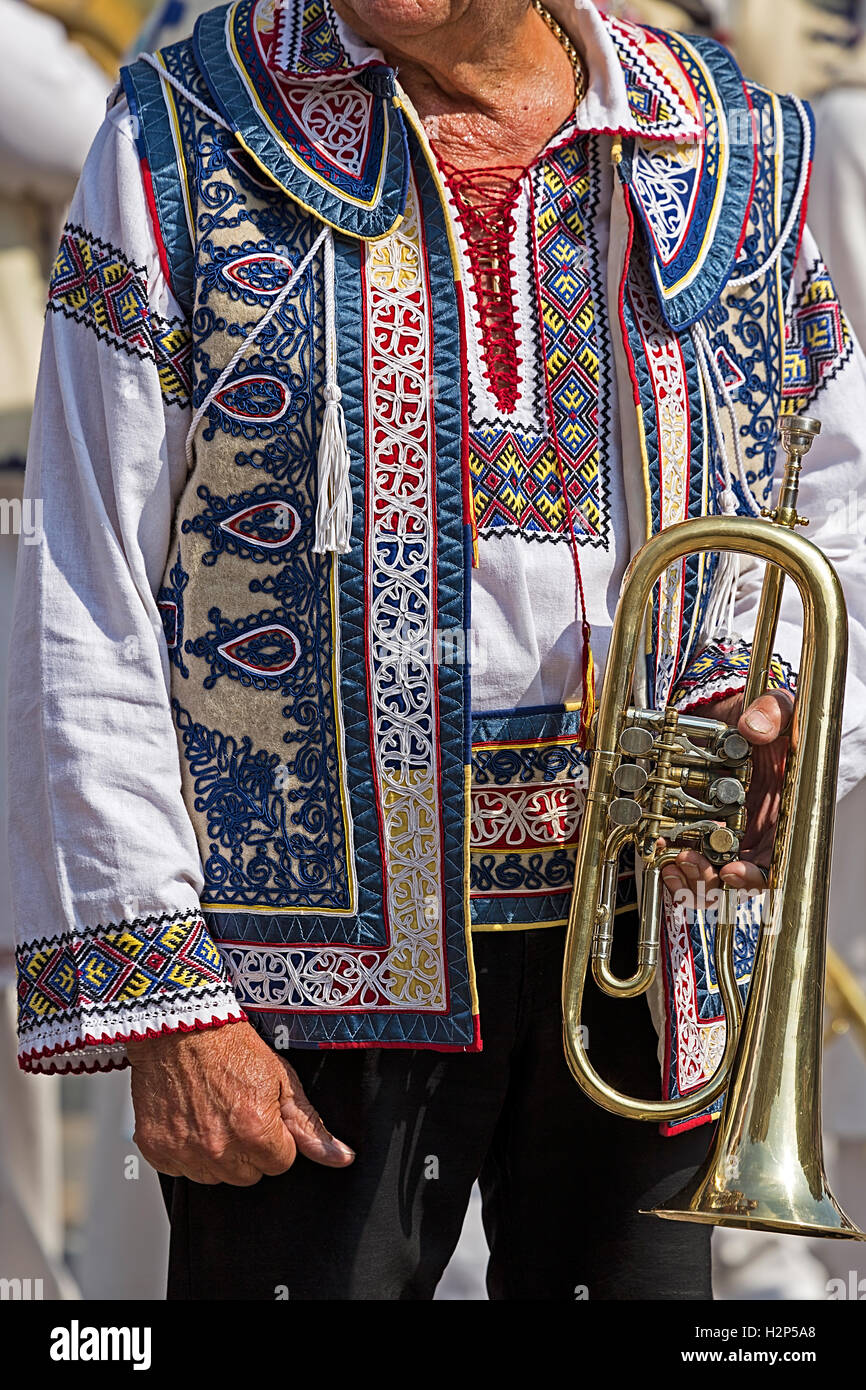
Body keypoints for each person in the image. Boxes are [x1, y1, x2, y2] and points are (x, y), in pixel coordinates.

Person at [9, 0, 866, 1301]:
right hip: (299, 989)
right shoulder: (188, 127)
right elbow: (86, 577)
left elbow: (834, 493)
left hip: (648, 942)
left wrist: (785, 713)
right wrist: (167, 1001)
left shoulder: (718, 135)